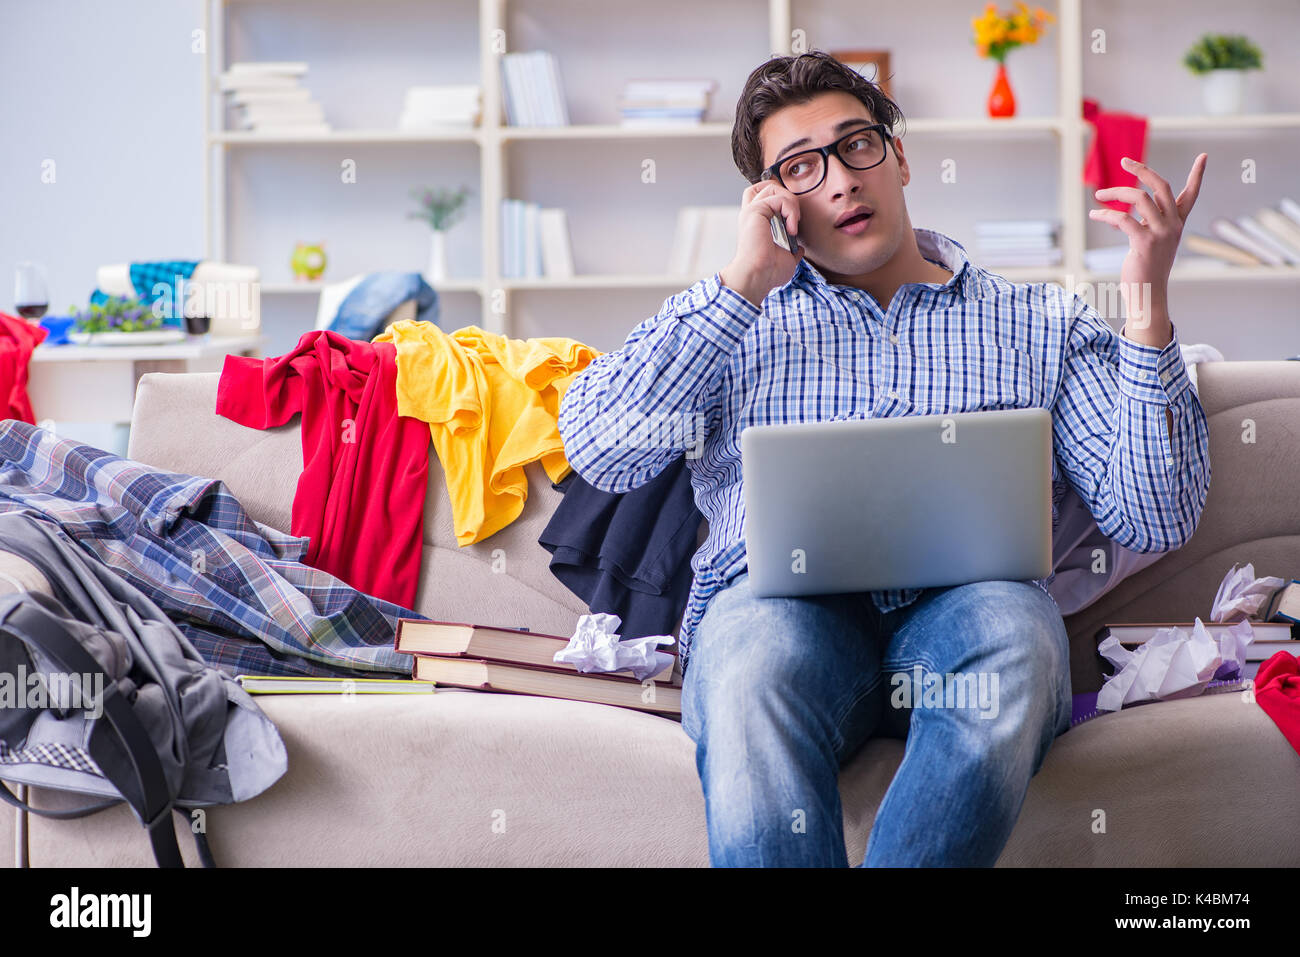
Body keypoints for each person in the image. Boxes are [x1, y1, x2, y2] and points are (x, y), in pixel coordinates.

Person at [556, 51, 1211, 866]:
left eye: (856, 146)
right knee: (750, 664)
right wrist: (738, 287)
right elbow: (598, 449)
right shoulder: (734, 315)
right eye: (801, 167)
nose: (839, 181)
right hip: (773, 615)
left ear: (897, 156)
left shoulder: (1037, 320)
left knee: (1013, 636)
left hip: (968, 619)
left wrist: (1147, 305)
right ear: (769, 200)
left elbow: (1156, 514)